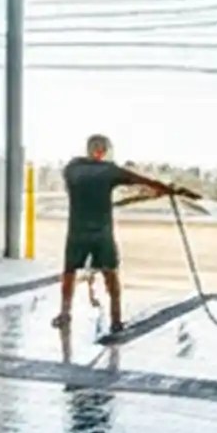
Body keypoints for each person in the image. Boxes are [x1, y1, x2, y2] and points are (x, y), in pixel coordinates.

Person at [51, 133, 197, 333]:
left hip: (77, 231)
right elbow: (140, 180)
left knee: (69, 272)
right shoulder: (109, 171)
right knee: (110, 273)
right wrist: (165, 189)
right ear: (101, 151)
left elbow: (79, 187)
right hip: (101, 233)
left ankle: (64, 314)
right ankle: (116, 321)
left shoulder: (71, 169)